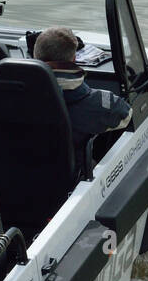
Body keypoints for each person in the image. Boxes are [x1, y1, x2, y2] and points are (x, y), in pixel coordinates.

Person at [33, 26, 132, 174]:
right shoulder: (93, 102)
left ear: (35, 55)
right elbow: (125, 114)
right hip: (62, 184)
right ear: (74, 59)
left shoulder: (8, 93)